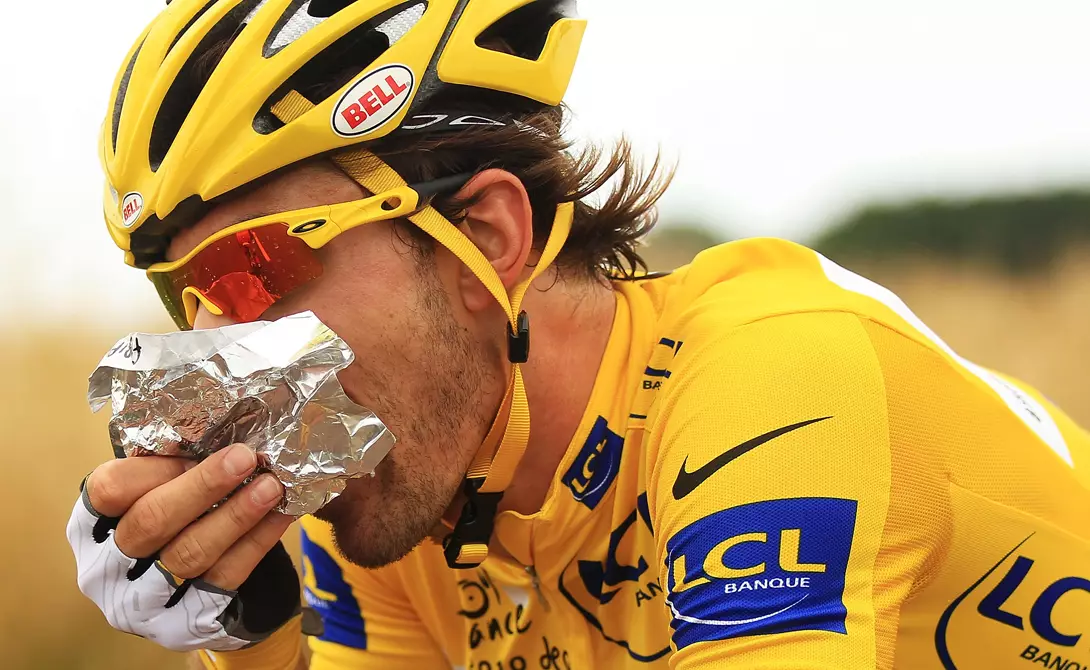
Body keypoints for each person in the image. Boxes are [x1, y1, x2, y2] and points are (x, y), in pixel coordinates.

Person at [67, 1, 1090, 668]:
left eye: (250, 274)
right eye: (182, 296)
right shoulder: (404, 490)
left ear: (487, 237)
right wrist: (253, 630)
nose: (214, 354)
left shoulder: (773, 376)